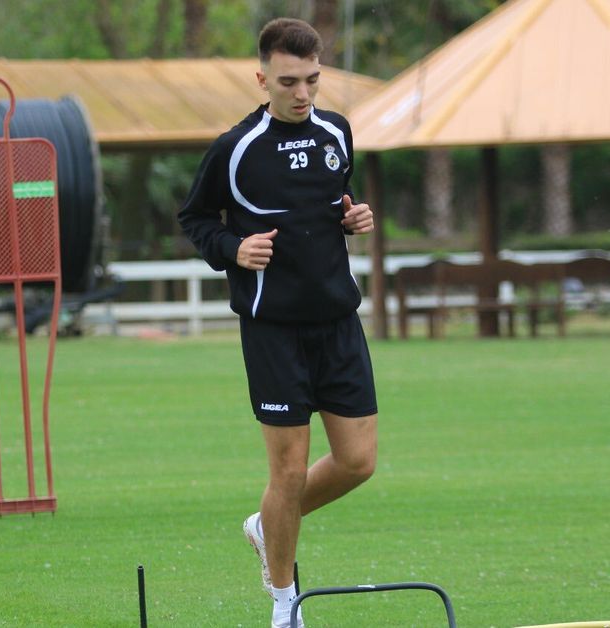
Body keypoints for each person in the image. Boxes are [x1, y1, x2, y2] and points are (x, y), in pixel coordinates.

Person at [178, 17, 377, 628]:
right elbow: (195, 220)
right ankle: (286, 602)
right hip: (273, 331)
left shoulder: (337, 132)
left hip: (338, 322)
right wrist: (233, 249)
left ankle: (267, 525)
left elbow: (329, 204)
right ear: (263, 79)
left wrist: (351, 218)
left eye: (312, 80)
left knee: (358, 462)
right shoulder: (235, 148)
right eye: (289, 82)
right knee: (288, 472)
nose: (303, 93)